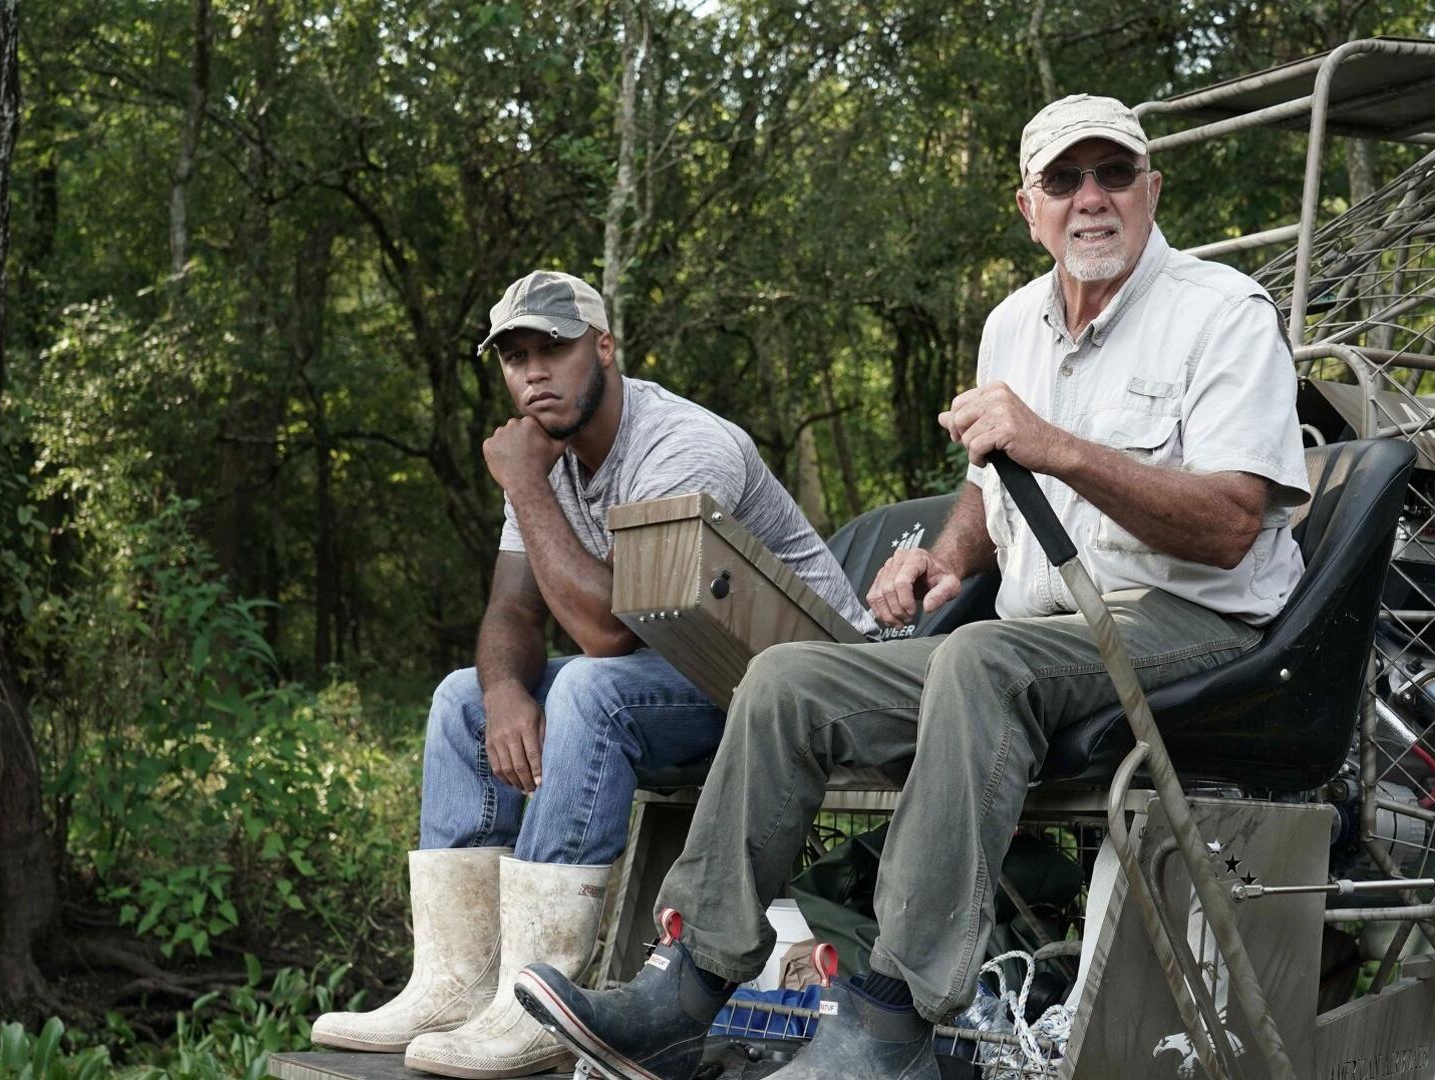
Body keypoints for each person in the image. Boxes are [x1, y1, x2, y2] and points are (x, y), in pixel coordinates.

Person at [514, 94, 1312, 1080]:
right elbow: (988, 486)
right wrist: (947, 557)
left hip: (1197, 624)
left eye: (1114, 173)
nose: (1092, 197)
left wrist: (1057, 445)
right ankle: (687, 992)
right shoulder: (1014, 323)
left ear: (1152, 189)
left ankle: (889, 1023)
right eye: (1064, 179)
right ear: (1029, 207)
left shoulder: (1221, 312)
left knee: (980, 660)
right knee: (787, 679)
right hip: (1048, 634)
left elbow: (1231, 524)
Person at [310, 270, 876, 1078]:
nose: (534, 374)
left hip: (802, 690)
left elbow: (609, 632)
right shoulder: (545, 459)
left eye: (554, 349)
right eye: (516, 357)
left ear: (604, 347)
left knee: (588, 688)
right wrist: (503, 693)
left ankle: (539, 1002)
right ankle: (454, 987)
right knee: (462, 699)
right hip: (691, 675)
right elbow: (511, 610)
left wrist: (525, 485)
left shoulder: (681, 444)